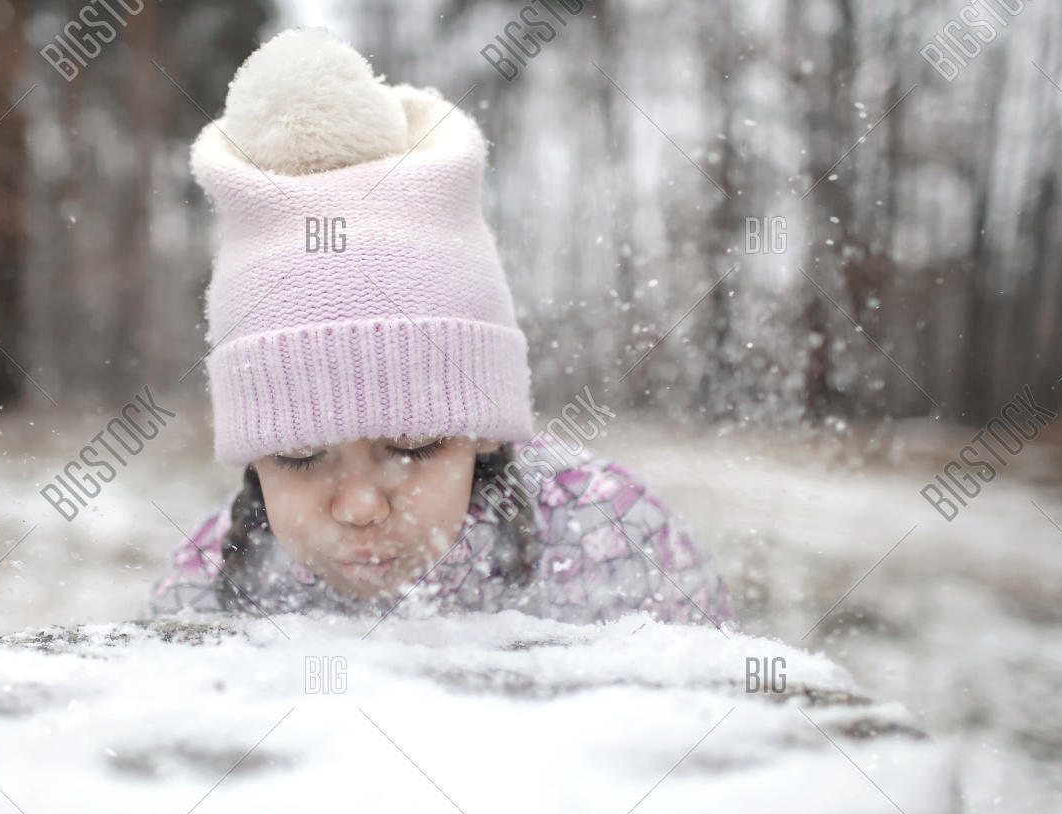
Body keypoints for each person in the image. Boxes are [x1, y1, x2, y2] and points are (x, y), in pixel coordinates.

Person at [147, 27, 735, 630]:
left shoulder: (615, 542)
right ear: (254, 459)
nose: (359, 506)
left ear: (483, 430)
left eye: (411, 446)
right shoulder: (216, 584)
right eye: (299, 456)